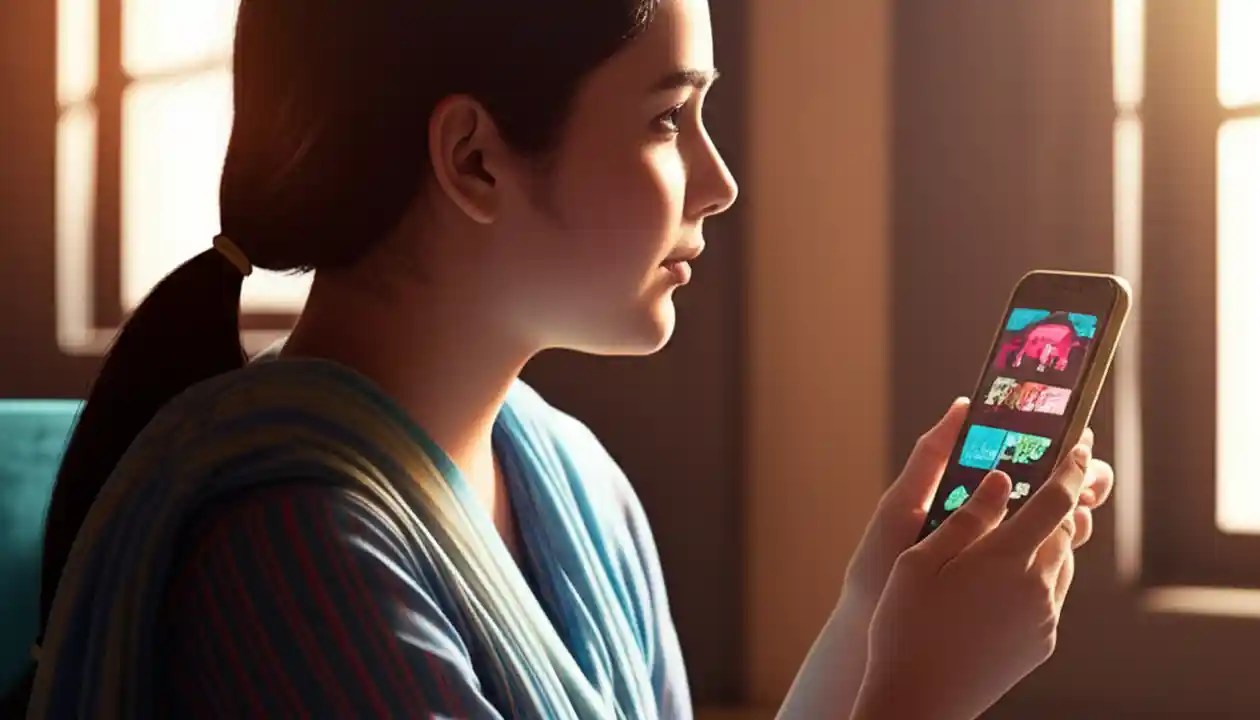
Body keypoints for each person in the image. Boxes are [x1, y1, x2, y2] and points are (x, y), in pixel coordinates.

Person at [19, 0, 1115, 718]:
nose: (718, 181)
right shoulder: (291, 558)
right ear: (474, 160)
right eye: (667, 118)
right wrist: (921, 697)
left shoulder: (571, 476)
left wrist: (870, 620)